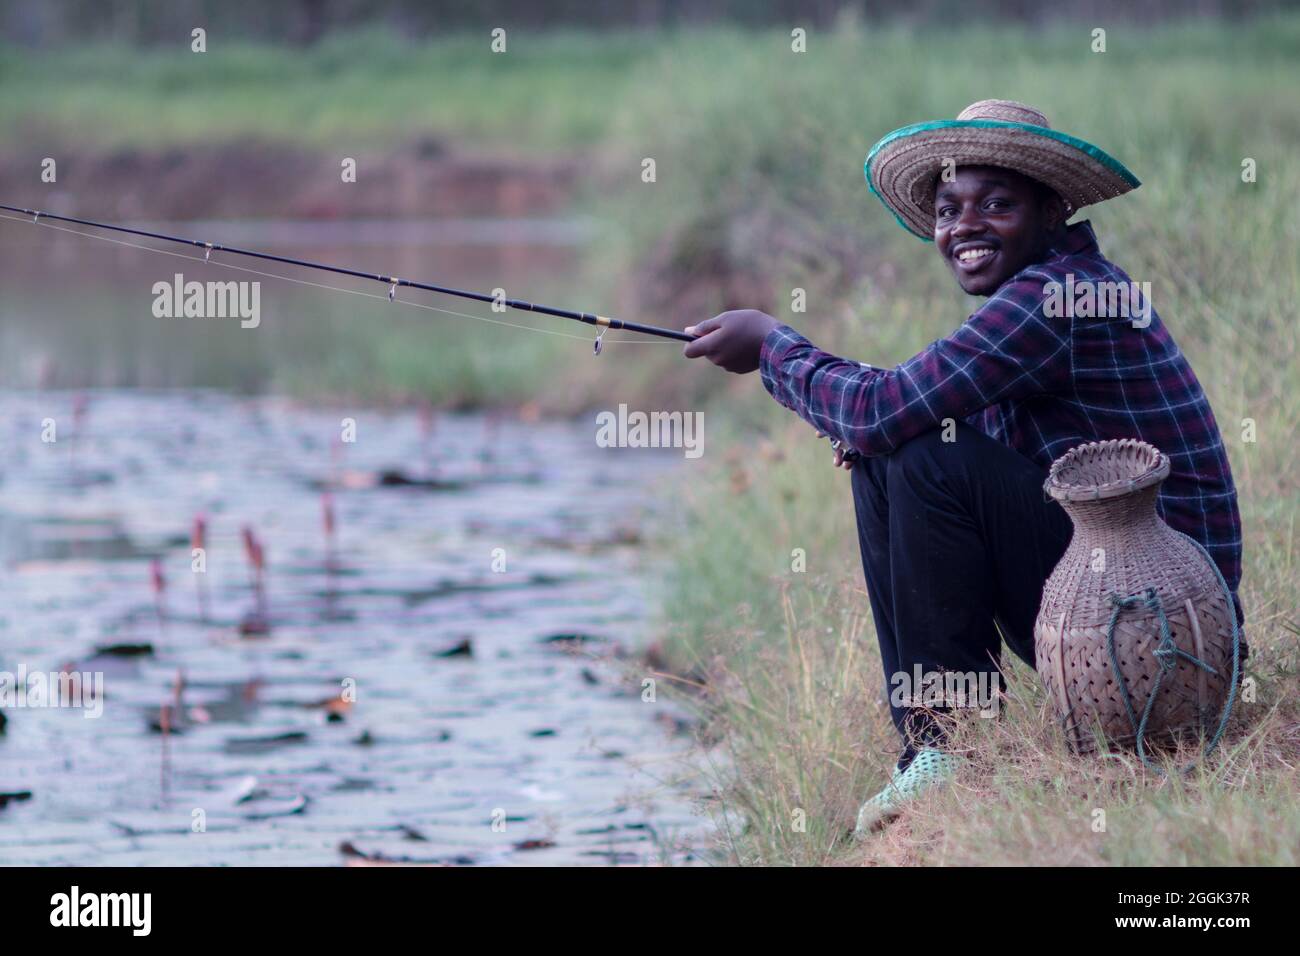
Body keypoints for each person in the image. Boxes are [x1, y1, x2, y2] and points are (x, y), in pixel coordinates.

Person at [680, 100, 1244, 836]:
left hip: (1167, 631)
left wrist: (772, 346)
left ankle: (944, 744)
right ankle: (928, 744)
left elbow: (883, 408)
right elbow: (892, 413)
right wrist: (863, 426)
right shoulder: (1041, 292)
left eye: (998, 204)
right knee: (897, 449)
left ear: (1052, 212)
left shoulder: (1059, 296)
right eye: (948, 209)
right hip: (1116, 611)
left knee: (917, 449)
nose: (964, 227)